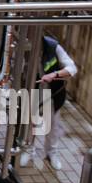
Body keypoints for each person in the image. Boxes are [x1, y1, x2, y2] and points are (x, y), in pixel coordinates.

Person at [22, 34, 78, 171]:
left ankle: (51, 152)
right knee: (31, 123)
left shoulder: (53, 47)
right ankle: (29, 149)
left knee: (53, 124)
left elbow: (72, 68)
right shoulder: (21, 46)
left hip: (53, 93)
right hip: (33, 91)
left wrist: (54, 75)